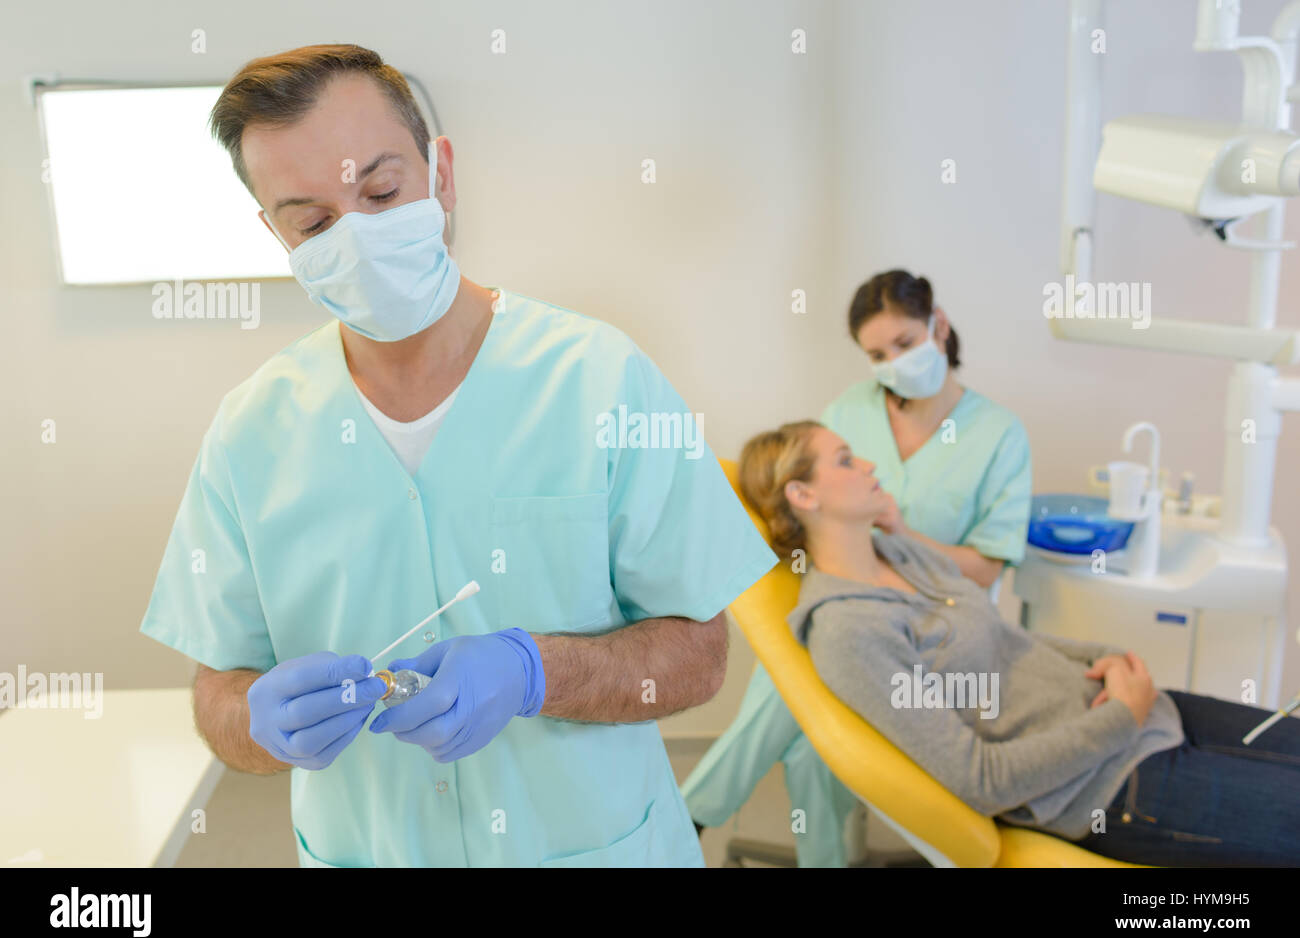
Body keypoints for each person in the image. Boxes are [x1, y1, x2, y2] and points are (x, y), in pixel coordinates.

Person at [139, 43, 777, 867]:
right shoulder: (249, 433)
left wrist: (534, 671)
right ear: (274, 232)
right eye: (315, 221)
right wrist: (255, 721)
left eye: (380, 189)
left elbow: (700, 655)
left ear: (440, 171)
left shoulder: (602, 380)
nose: (359, 235)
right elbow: (217, 693)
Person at [739, 420, 1300, 866]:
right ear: (803, 494)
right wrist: (1120, 719)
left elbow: (1007, 637)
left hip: (1142, 714)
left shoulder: (898, 556)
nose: (867, 464)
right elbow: (981, 779)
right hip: (1108, 786)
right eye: (844, 460)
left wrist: (1103, 658)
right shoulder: (849, 631)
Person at [681, 269, 1031, 866]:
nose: (893, 363)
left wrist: (900, 532)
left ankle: (689, 816)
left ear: (937, 326)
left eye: (903, 344)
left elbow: (985, 568)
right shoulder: (849, 411)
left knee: (799, 692)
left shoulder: (999, 435)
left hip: (928, 627)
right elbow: (805, 502)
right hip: (845, 605)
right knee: (809, 716)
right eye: (877, 355)